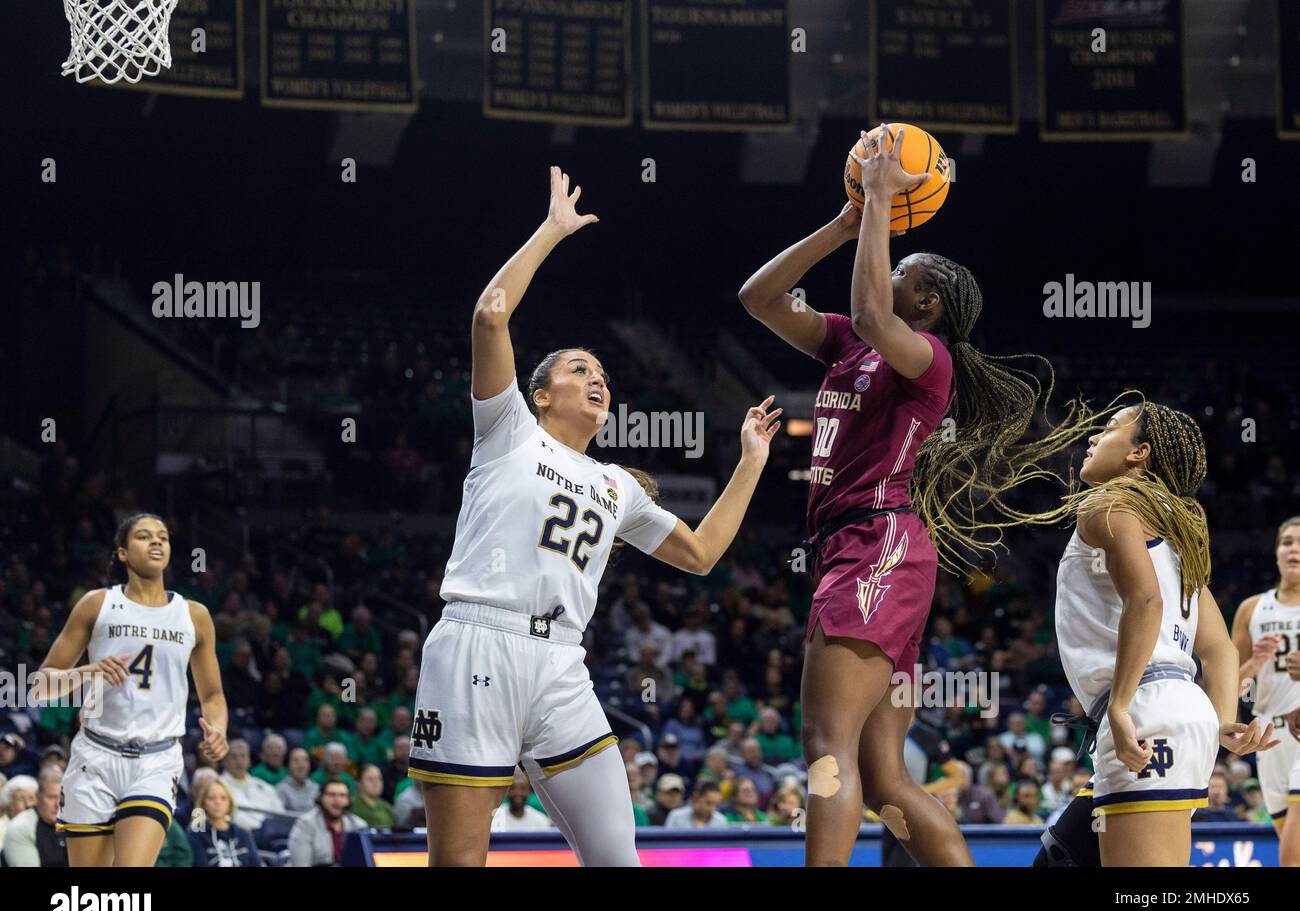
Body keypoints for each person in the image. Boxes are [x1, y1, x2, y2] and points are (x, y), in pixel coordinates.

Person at [740, 126, 1097, 867]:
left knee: (825, 746)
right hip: (873, 552)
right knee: (883, 779)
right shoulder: (849, 345)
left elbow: (875, 311)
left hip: (877, 546)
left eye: (903, 267)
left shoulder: (926, 360)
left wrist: (877, 197)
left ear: (926, 300)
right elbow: (759, 296)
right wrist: (845, 223)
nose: (889, 267)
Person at [410, 167, 782, 868]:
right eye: (579, 369)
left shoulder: (618, 485)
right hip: (476, 646)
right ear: (541, 395)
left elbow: (701, 555)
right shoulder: (507, 431)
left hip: (561, 665)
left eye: (603, 373)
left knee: (618, 858)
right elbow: (491, 313)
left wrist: (752, 461)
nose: (597, 378)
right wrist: (553, 229)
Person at [1051, 401, 1276, 865]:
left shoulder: (1106, 503)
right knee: (1060, 858)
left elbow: (1146, 601)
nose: (1093, 438)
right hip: (1178, 713)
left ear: (1140, 453)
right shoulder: (1173, 539)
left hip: (1146, 711)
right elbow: (1218, 650)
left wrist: (1118, 704)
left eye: (1109, 429)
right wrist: (1221, 721)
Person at [32, 513, 229, 866]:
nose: (156, 542)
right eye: (144, 536)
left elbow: (212, 695)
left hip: (156, 759)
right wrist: (87, 672)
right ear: (122, 553)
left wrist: (218, 729)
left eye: (163, 537)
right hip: (94, 756)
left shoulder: (194, 615)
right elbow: (40, 686)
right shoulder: (97, 604)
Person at [1230, 514, 1300, 866]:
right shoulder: (1252, 609)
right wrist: (1254, 665)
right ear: (1276, 552)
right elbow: (1231, 685)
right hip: (1268, 735)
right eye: (1288, 542)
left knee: (1293, 854)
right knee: (1289, 841)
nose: (1295, 550)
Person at [287, 778, 365, 867]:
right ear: (321, 798)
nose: (337, 800)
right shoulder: (305, 824)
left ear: (348, 801)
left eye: (342, 795)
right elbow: (301, 865)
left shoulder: (358, 825)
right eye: (331, 795)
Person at [187, 778, 263, 867]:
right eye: (211, 798)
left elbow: (255, 863)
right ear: (203, 803)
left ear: (230, 804)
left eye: (223, 798)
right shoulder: (195, 835)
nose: (218, 802)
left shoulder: (243, 834)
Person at [1, 767, 67, 867]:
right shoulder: (20, 828)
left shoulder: (73, 823)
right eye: (51, 797)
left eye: (61, 798)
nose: (57, 804)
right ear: (38, 797)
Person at [221, 738, 287, 832]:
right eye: (234, 757)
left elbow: (281, 815)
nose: (239, 761)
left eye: (243, 756)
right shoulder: (218, 786)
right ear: (225, 761)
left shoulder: (264, 787)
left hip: (269, 836)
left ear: (249, 761)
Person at [490, 771, 555, 832]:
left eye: (523, 788)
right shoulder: (495, 817)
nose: (518, 792)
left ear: (529, 792)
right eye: (513, 788)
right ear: (507, 791)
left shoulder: (540, 819)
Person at [276, 747, 320, 814]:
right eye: (295, 760)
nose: (301, 765)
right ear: (288, 765)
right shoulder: (280, 789)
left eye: (305, 760)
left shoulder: (316, 788)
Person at [352, 764, 396, 828]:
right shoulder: (352, 805)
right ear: (359, 783)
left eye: (379, 779)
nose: (376, 783)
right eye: (371, 779)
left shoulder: (386, 806)